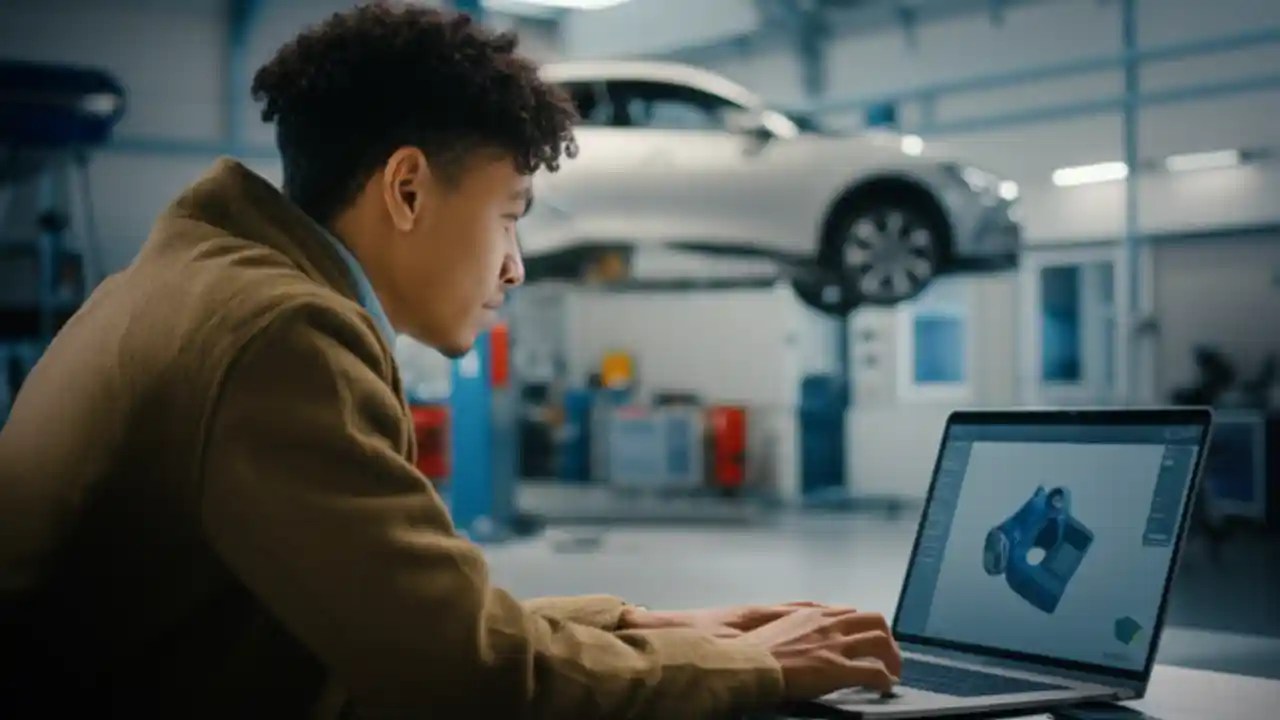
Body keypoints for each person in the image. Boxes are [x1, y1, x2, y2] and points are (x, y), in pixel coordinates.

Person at [0, 4, 900, 717]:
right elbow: (470, 683)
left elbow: (396, 627)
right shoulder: (279, 337)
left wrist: (644, 625)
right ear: (406, 188)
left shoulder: (199, 283)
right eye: (510, 213)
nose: (515, 263)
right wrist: (740, 668)